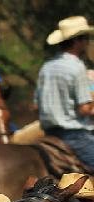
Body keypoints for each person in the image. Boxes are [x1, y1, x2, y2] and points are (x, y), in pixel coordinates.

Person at [36, 17, 94, 168]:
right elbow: (84, 109)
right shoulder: (77, 67)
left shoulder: (46, 67)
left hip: (49, 133)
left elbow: (36, 106)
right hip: (74, 135)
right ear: (77, 41)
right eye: (85, 38)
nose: (87, 43)